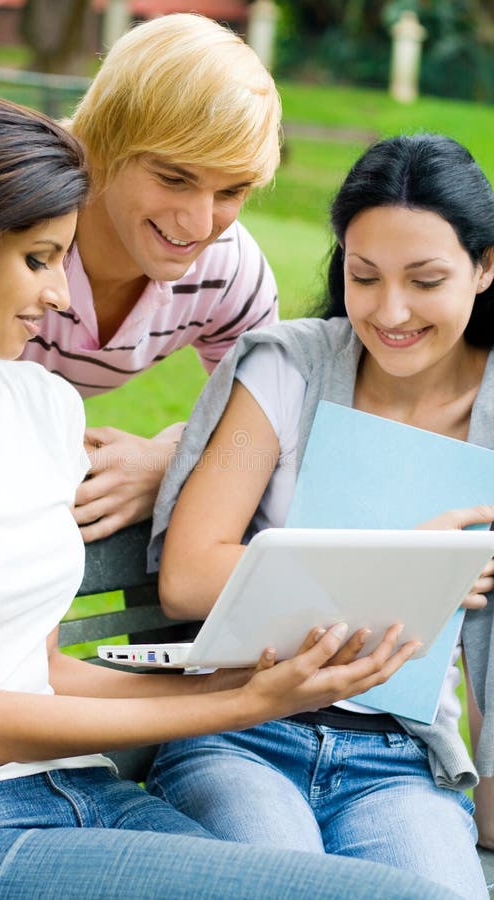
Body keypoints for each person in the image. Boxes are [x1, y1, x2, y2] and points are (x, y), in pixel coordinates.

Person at [0, 92, 453, 900]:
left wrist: (267, 684)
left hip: (86, 795)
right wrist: (242, 705)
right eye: (38, 259)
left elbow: (43, 670)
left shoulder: (39, 405)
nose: (60, 296)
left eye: (62, 258)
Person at [146, 133, 494, 899]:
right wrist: (404, 566)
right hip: (240, 732)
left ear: (486, 266)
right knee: (294, 887)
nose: (390, 311)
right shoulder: (288, 368)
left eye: (426, 280)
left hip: (399, 762)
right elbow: (190, 574)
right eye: (364, 276)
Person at [20, 13, 282, 542]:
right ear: (99, 144)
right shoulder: (8, 220)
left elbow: (270, 426)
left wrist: (165, 461)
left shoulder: (228, 268)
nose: (200, 222)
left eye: (231, 191)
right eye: (173, 178)